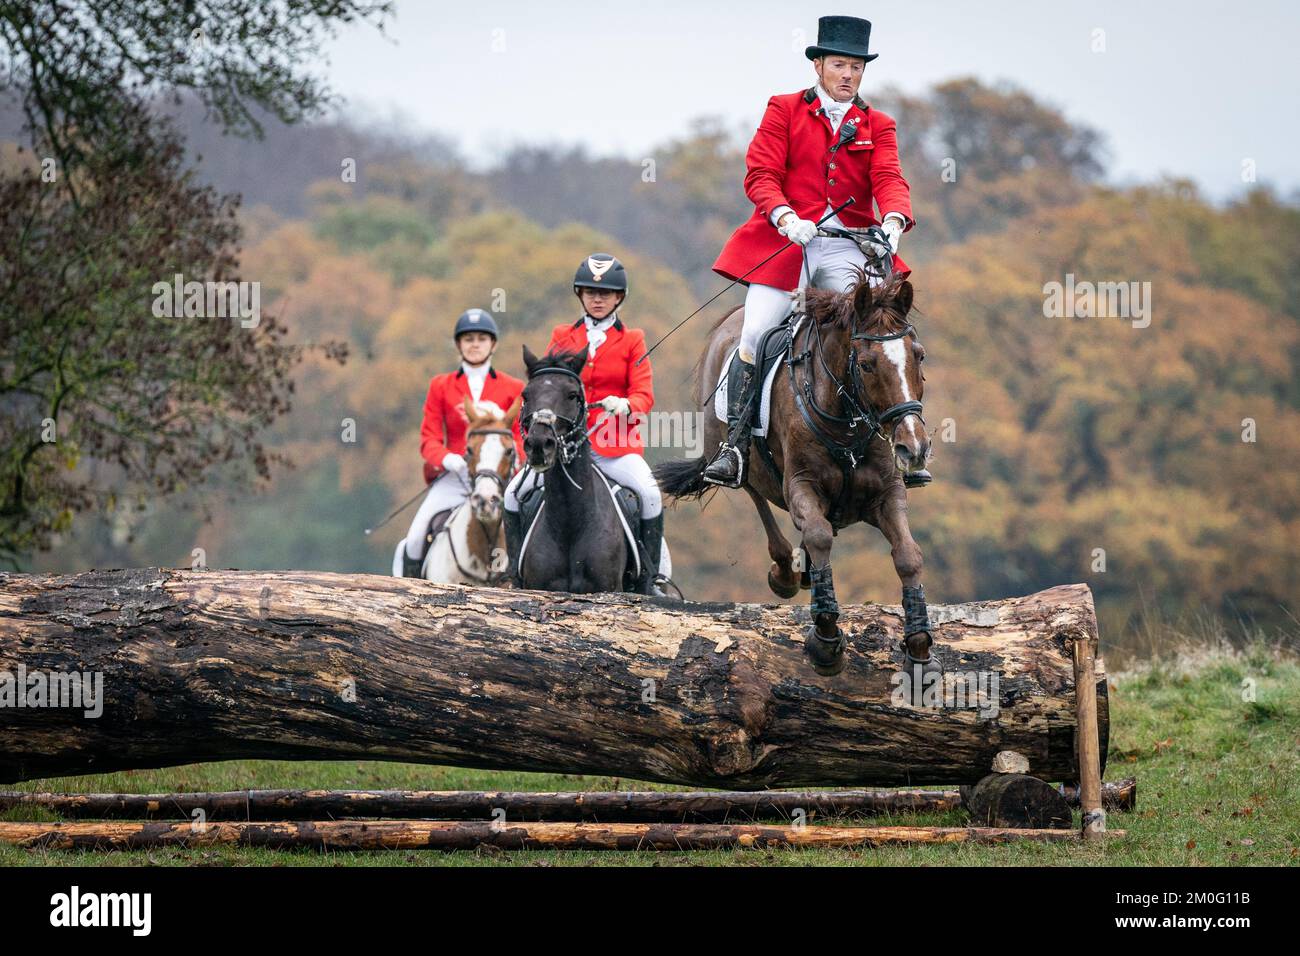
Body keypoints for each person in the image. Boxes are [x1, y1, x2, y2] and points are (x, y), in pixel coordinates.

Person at [704, 14, 916, 488]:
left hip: (849, 246)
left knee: (881, 332)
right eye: (840, 65)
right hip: (788, 242)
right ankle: (734, 447)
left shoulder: (877, 123)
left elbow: (888, 177)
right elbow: (760, 173)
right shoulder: (784, 109)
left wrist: (895, 219)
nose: (848, 75)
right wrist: (783, 216)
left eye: (857, 68)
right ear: (818, 65)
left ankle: (897, 445)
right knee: (757, 332)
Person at [503, 253, 670, 594]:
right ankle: (516, 577)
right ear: (579, 294)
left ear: (618, 297)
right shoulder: (562, 335)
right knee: (512, 495)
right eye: (590, 292)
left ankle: (649, 581)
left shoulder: (632, 339)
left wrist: (624, 404)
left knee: (650, 494)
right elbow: (547, 385)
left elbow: (644, 396)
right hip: (564, 448)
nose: (597, 298)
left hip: (614, 446)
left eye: (605, 293)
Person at [395, 308, 524, 577]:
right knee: (415, 539)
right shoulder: (440, 386)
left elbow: (519, 437)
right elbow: (429, 438)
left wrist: (517, 464)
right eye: (468, 339)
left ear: (493, 344)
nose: (475, 344)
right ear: (459, 345)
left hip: (500, 480)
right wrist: (446, 459)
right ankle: (406, 599)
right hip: (454, 479)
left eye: (481, 338)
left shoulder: (513, 388)